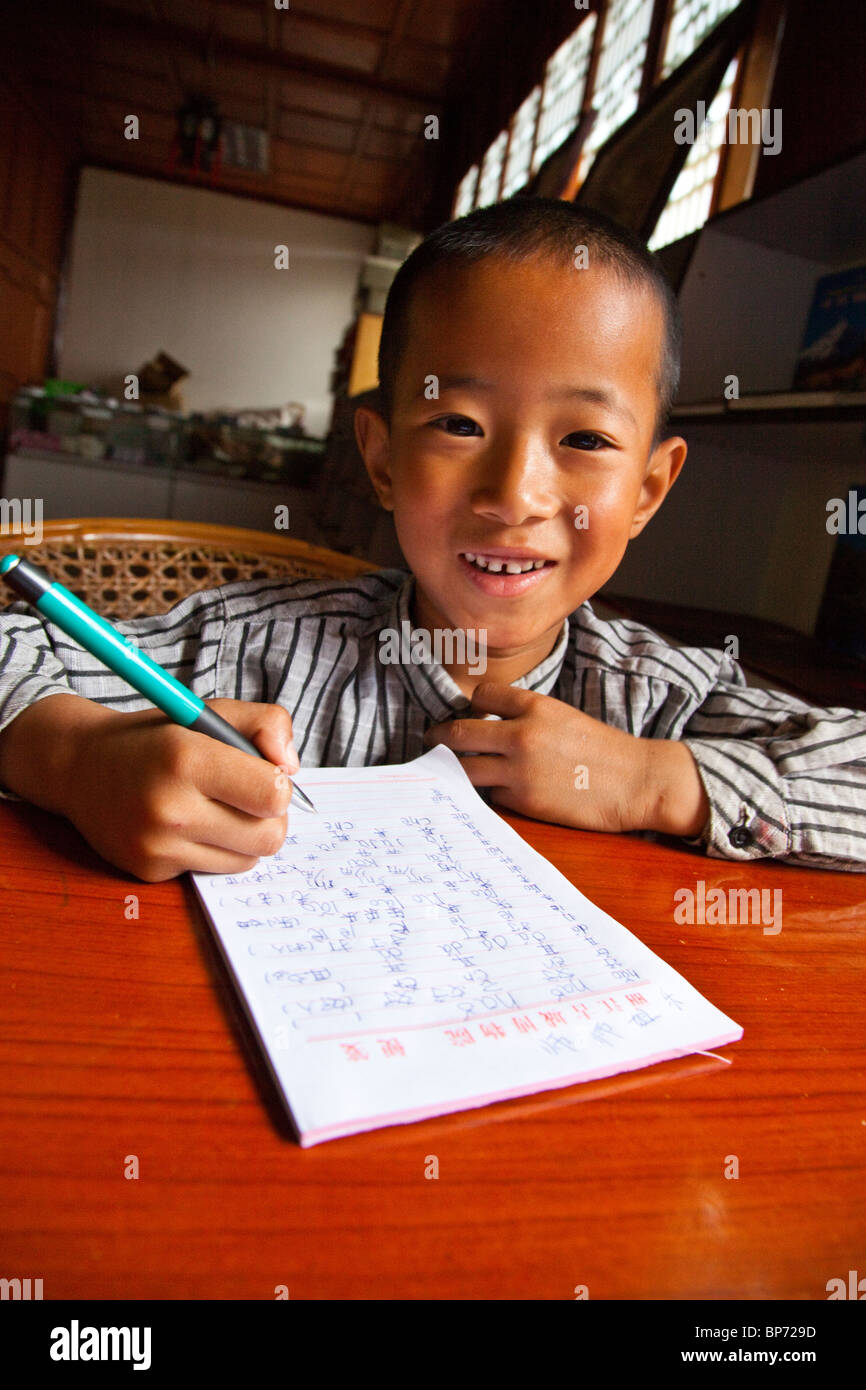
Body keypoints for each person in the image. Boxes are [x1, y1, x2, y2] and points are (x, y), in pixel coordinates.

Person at [0, 197, 863, 881]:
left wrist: (651, 780)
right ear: (380, 457)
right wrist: (77, 761)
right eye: (458, 422)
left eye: (586, 439)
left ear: (647, 489)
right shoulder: (248, 647)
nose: (514, 496)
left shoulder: (663, 701)